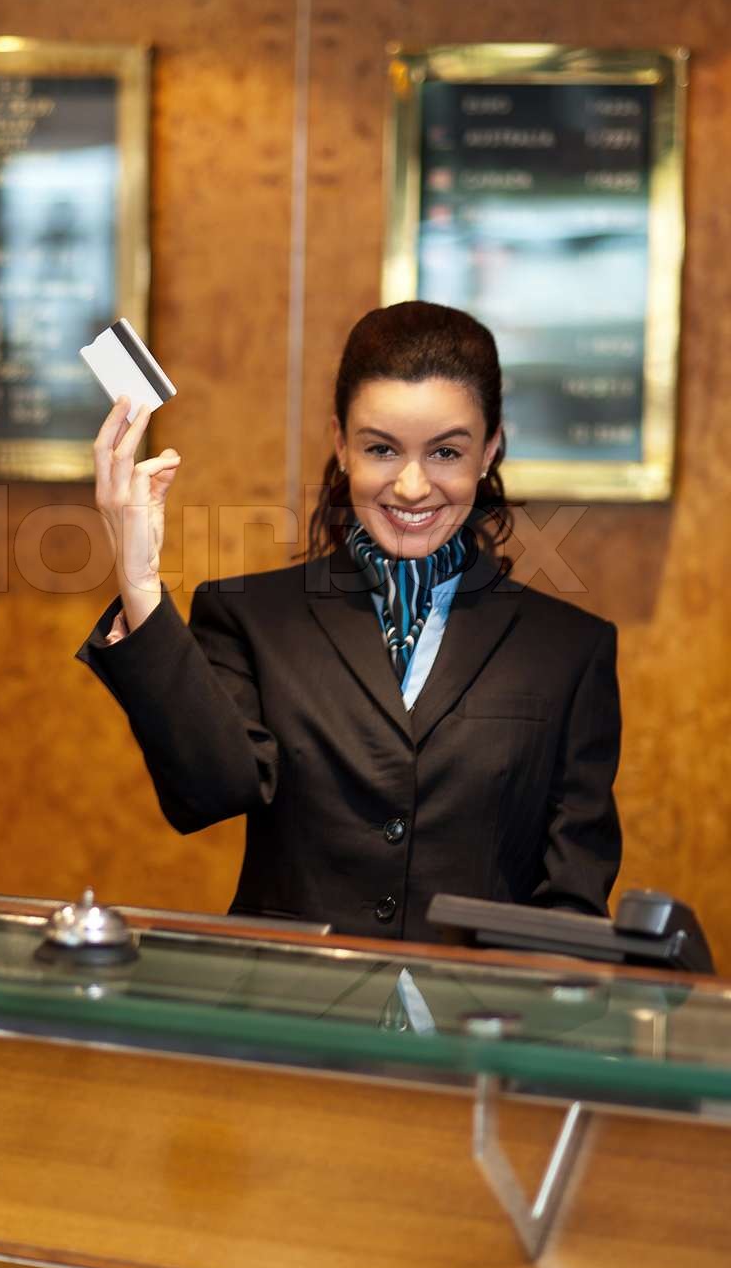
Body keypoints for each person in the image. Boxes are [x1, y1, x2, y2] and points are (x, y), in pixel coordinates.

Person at [77, 301, 622, 941]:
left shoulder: (569, 649)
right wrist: (139, 576)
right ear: (341, 445)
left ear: (491, 448)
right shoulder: (251, 617)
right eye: (381, 448)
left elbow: (573, 904)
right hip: (295, 996)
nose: (412, 486)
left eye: (446, 451)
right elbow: (208, 792)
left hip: (473, 1004)